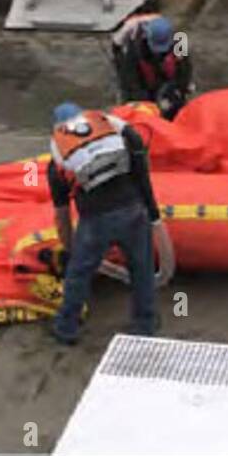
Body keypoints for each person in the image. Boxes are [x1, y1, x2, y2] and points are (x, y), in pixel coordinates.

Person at [48, 102, 162, 344]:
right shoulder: (112, 132)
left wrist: (70, 248)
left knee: (78, 274)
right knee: (141, 267)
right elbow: (140, 171)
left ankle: (66, 327)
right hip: (133, 208)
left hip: (96, 219)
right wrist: (152, 213)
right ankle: (145, 323)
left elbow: (62, 213)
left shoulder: (60, 156)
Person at [112, 14, 194, 121]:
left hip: (165, 80)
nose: (160, 53)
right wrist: (150, 107)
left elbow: (185, 68)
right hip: (140, 79)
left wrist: (180, 89)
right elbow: (131, 82)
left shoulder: (180, 40)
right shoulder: (132, 47)